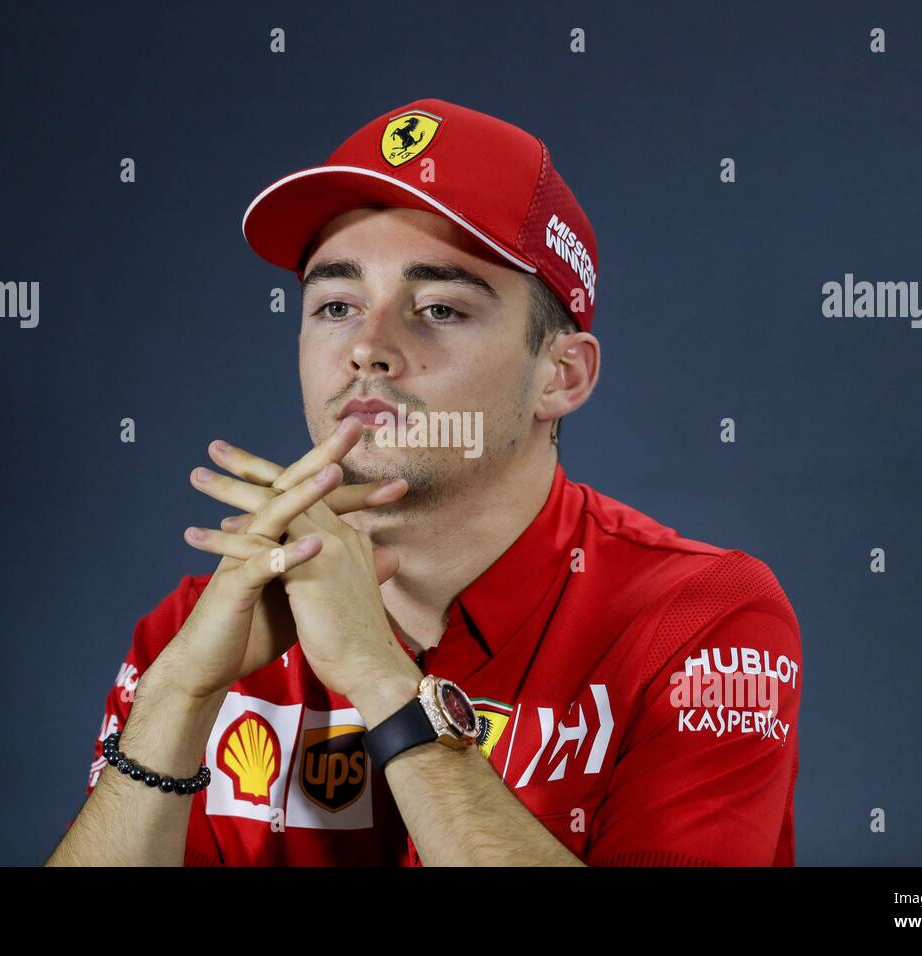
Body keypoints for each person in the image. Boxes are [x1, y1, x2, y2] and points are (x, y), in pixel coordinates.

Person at [47, 97, 802, 867]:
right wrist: (176, 697)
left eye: (439, 307)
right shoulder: (199, 625)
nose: (368, 350)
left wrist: (380, 677)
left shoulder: (703, 622)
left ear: (562, 375)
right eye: (336, 305)